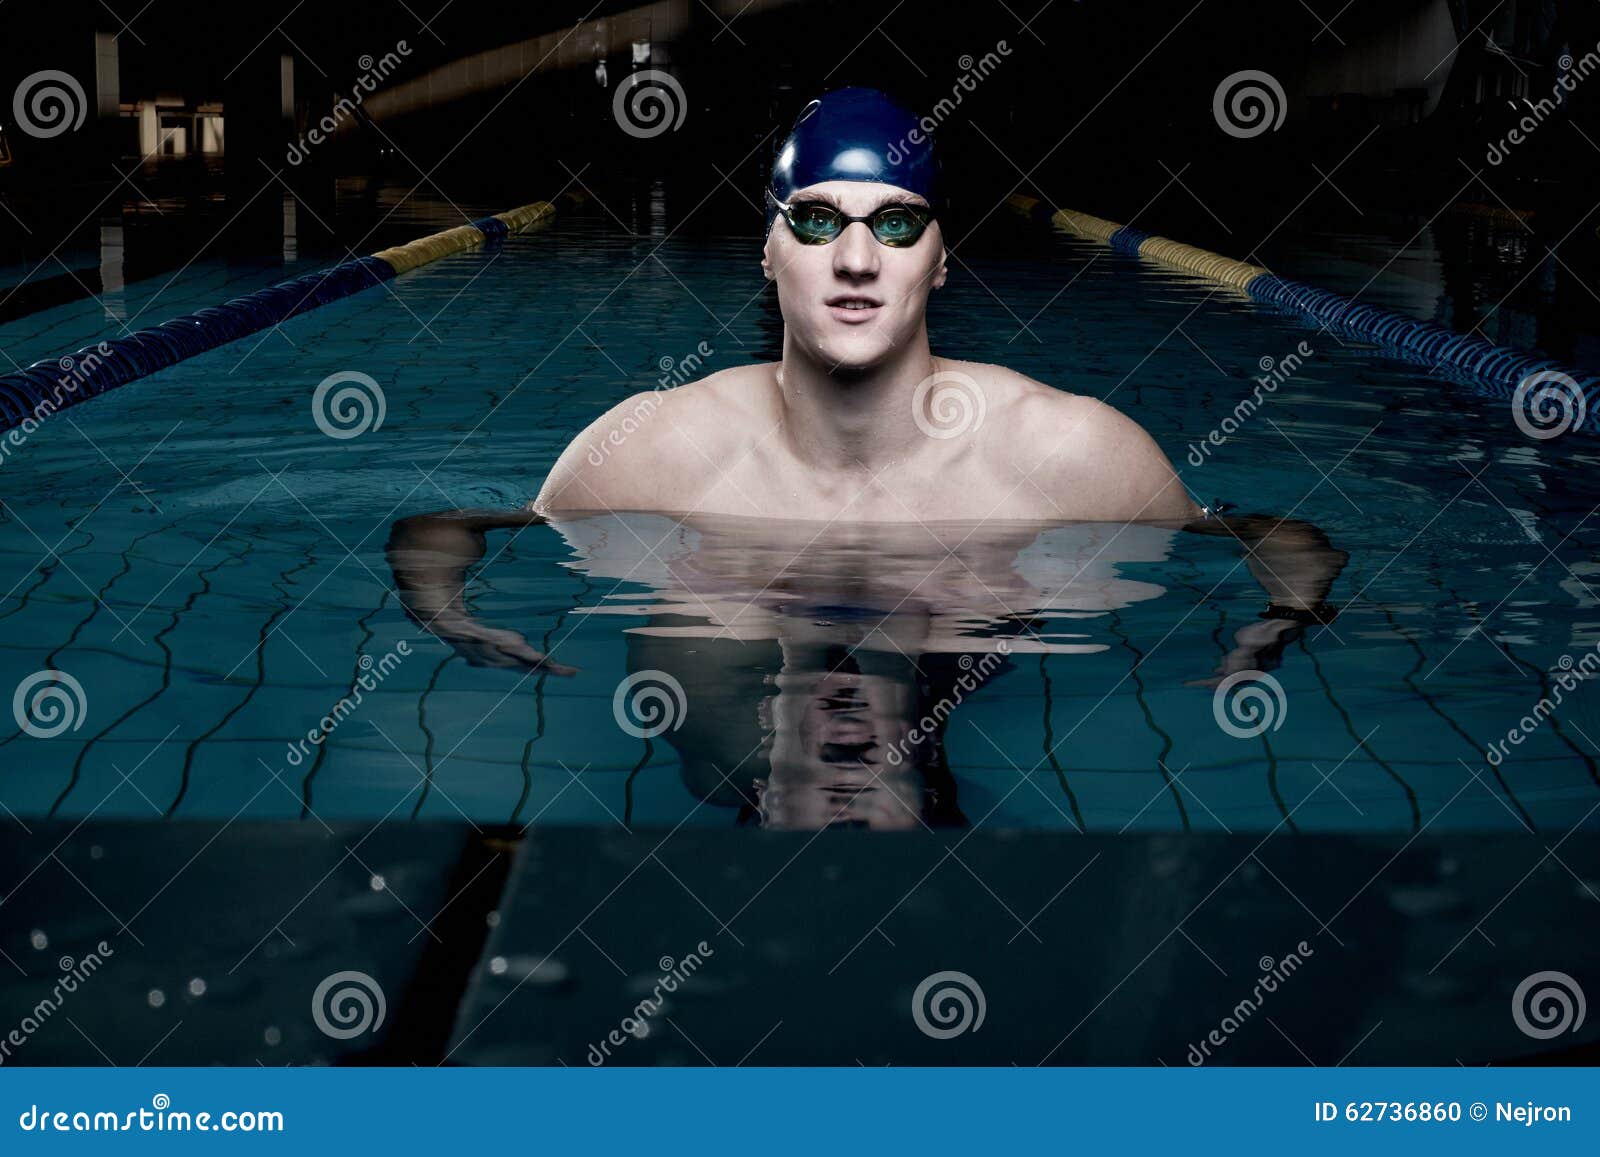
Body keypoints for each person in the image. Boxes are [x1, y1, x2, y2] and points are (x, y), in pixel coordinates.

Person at [384, 88, 1348, 827]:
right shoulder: (659, 446)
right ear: (769, 250)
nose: (855, 259)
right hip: (769, 697)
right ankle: (808, 816)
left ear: (940, 256)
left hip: (956, 636)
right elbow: (453, 526)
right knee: (720, 754)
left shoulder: (1064, 450)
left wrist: (1276, 626)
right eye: (815, 220)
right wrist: (448, 614)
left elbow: (1264, 534)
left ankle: (873, 801)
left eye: (895, 222)